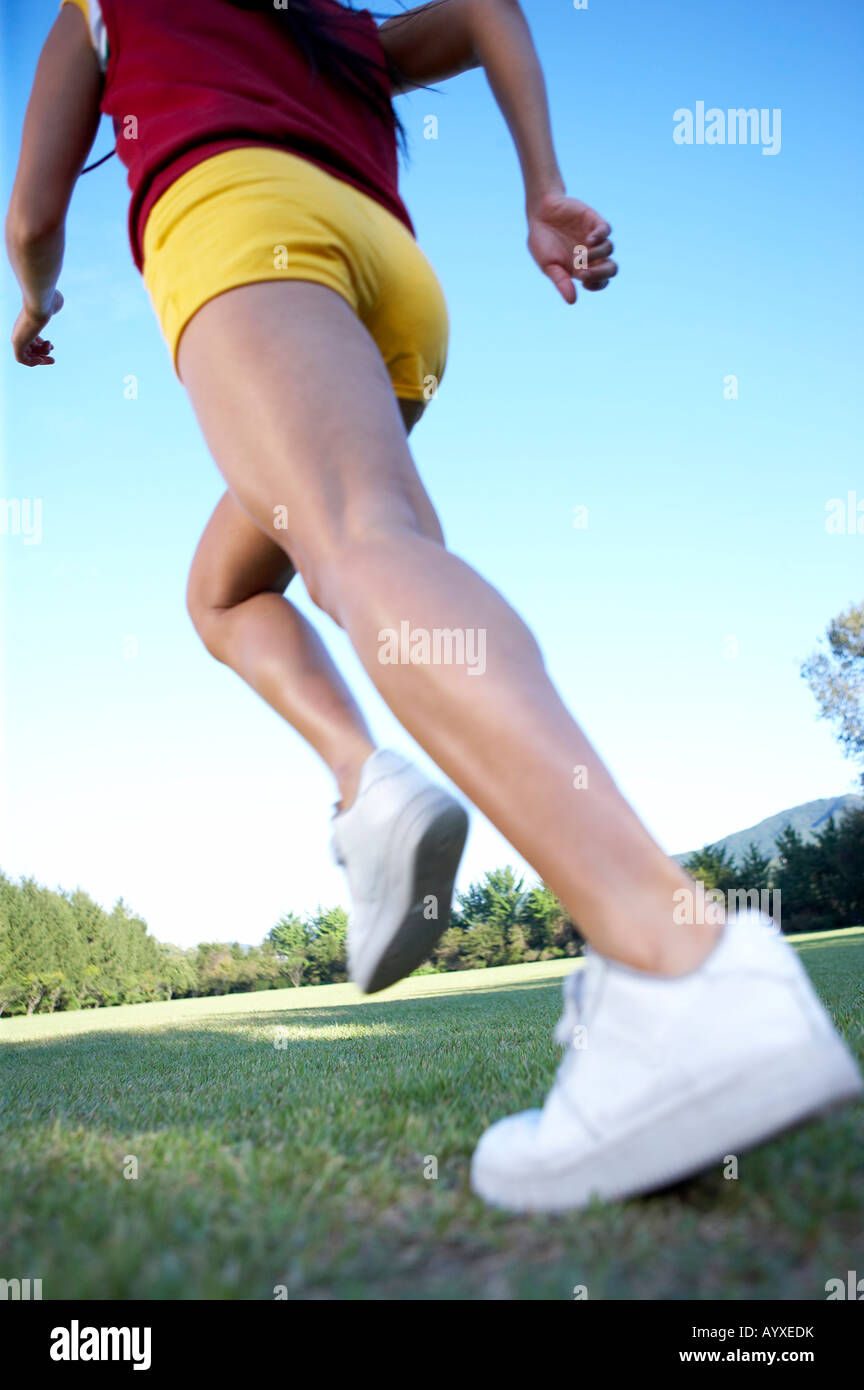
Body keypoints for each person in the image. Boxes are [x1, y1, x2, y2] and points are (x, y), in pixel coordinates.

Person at [7, 0, 860, 1212]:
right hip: (389, 277)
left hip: (242, 226)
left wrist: (34, 302)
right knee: (229, 588)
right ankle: (373, 784)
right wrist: (542, 187)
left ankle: (680, 960)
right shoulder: (330, 24)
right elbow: (479, 12)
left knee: (362, 544)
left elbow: (34, 213)